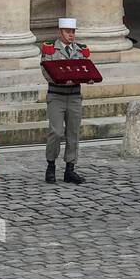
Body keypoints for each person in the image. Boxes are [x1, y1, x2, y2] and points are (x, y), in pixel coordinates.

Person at [41, 18, 88, 185]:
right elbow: (46, 70)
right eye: (68, 31)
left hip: (74, 95)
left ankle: (70, 168)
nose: (71, 35)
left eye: (73, 31)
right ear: (59, 32)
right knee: (56, 131)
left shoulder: (81, 50)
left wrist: (87, 78)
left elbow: (86, 68)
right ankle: (51, 165)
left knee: (73, 132)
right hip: (56, 95)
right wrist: (60, 80)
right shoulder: (50, 49)